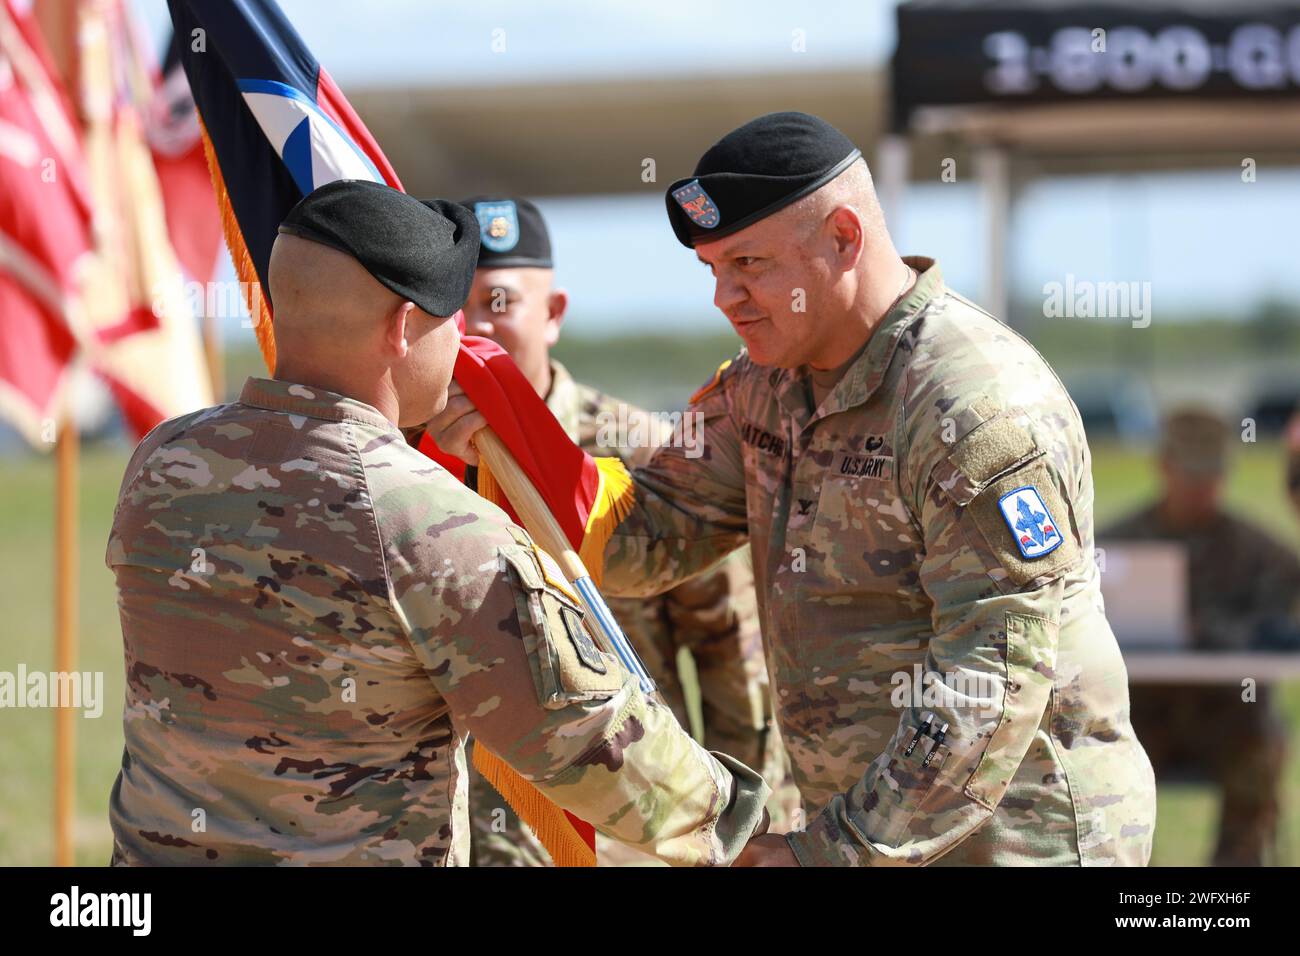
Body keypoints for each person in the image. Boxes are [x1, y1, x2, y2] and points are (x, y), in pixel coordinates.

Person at [431, 112, 1156, 866]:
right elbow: (649, 532)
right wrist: (511, 431)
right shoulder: (762, 386)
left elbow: (992, 676)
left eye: (749, 263)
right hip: (858, 833)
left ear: (844, 238)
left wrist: (831, 852)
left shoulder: (971, 405)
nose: (725, 297)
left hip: (1011, 840)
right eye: (713, 270)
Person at [105, 179, 769, 866]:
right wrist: (737, 822)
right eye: (452, 317)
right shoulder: (427, 520)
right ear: (402, 326)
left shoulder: (160, 463)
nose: (467, 340)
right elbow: (588, 741)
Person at [443, 196, 797, 866]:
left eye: (498, 303)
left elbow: (733, 664)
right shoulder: (409, 459)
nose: (474, 330)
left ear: (552, 315)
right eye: (454, 309)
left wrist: (738, 836)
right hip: (458, 837)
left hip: (615, 835)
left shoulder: (640, 452)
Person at [1103, 407, 1300, 866]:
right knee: (1092, 756)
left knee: (1261, 746)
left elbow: (1279, 632)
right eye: (1191, 475)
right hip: (1138, 716)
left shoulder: (1261, 554)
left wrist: (1210, 632)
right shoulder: (1113, 546)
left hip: (1228, 713)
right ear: (1165, 467)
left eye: (1211, 476)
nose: (1201, 489)